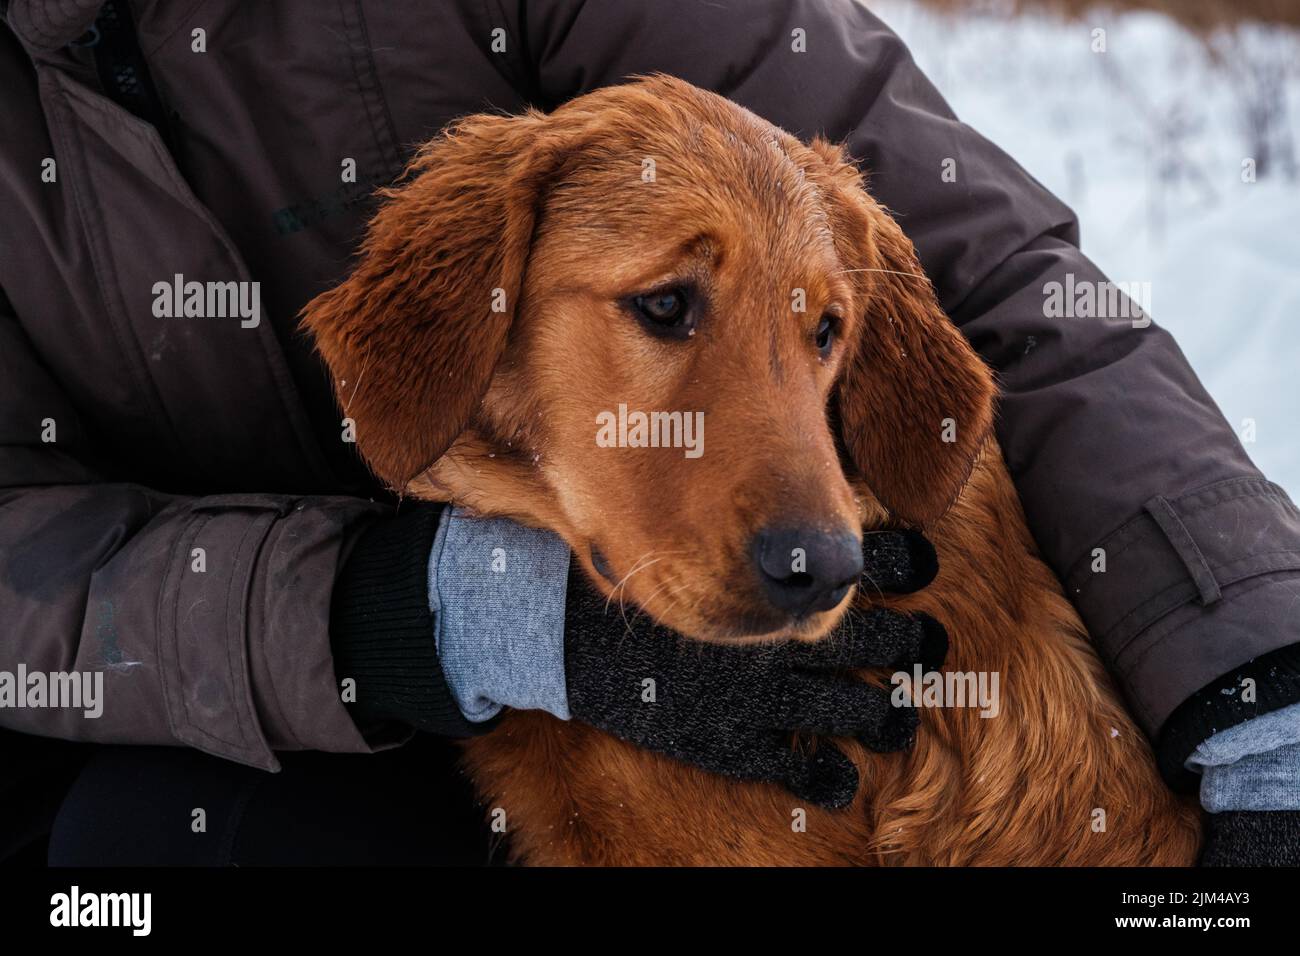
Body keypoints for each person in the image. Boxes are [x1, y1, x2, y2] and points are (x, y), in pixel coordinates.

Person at [1, 0, 1297, 866]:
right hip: (247, 693)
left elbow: (982, 251)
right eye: (665, 305)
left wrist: (1260, 680)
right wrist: (406, 613)